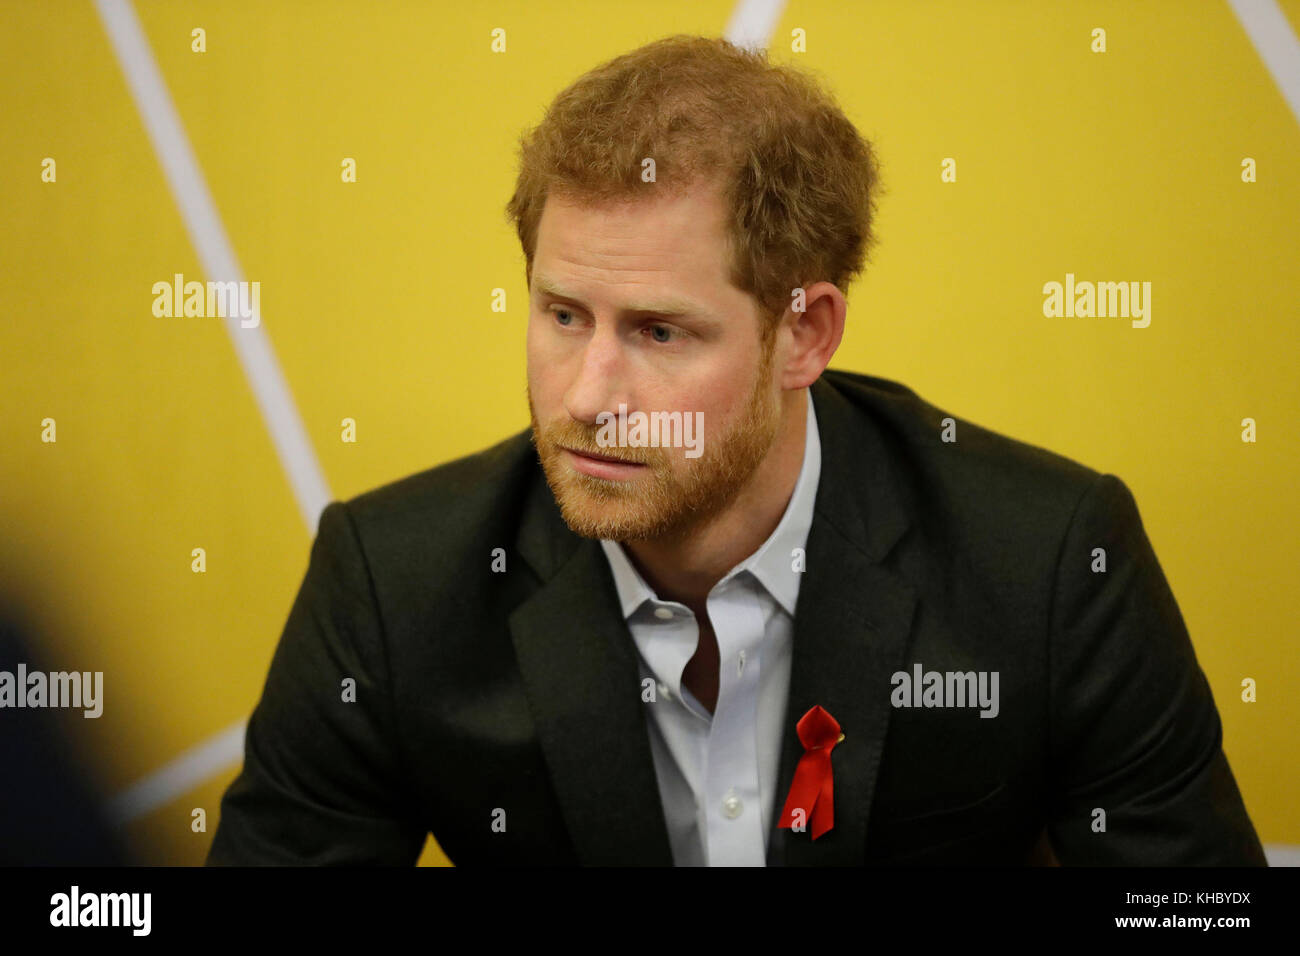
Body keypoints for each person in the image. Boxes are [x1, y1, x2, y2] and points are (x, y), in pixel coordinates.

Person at [207, 34, 1266, 866]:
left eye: (659, 332)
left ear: (803, 333)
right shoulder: (393, 583)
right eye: (563, 314)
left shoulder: (1045, 559)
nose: (588, 398)